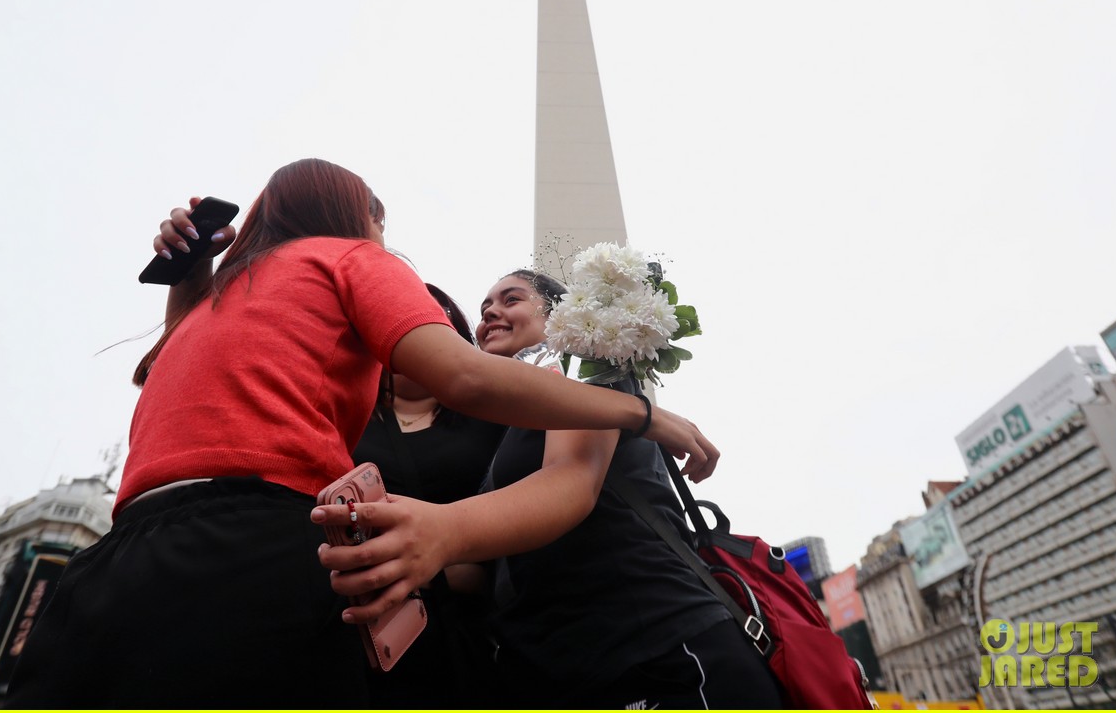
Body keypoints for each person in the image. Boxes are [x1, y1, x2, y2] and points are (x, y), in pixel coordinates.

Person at [6, 158, 717, 708]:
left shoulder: (221, 294)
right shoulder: (354, 260)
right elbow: (464, 378)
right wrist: (645, 414)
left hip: (108, 573)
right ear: (363, 214)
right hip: (260, 558)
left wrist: (189, 275)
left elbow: (183, 383)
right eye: (381, 219)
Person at [314, 270, 783, 708]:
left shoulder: (588, 366)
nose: (488, 315)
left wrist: (440, 530)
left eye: (510, 299)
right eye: (483, 309)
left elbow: (571, 484)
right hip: (568, 668)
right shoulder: (507, 432)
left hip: (657, 647)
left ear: (562, 317)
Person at [352, 283, 506, 708]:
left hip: (483, 636)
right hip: (363, 637)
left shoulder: (499, 413)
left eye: (429, 320)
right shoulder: (341, 420)